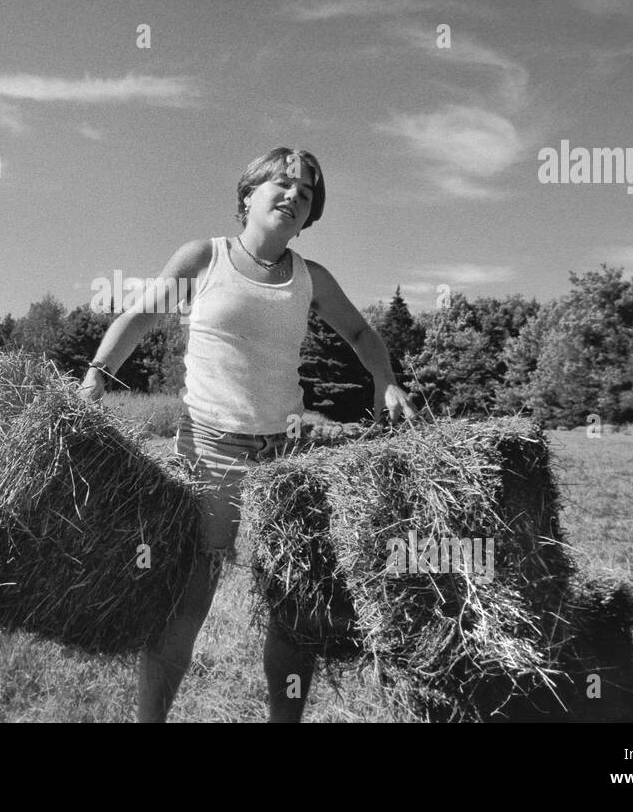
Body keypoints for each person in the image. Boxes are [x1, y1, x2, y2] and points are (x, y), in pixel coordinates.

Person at [77, 147, 421, 722]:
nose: (293, 196)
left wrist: (387, 382)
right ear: (247, 196)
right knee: (186, 603)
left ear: (311, 214)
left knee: (295, 604)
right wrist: (96, 378)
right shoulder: (203, 257)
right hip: (209, 452)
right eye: (282, 185)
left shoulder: (311, 278)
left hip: (284, 456)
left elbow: (360, 331)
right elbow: (139, 316)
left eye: (306, 193)